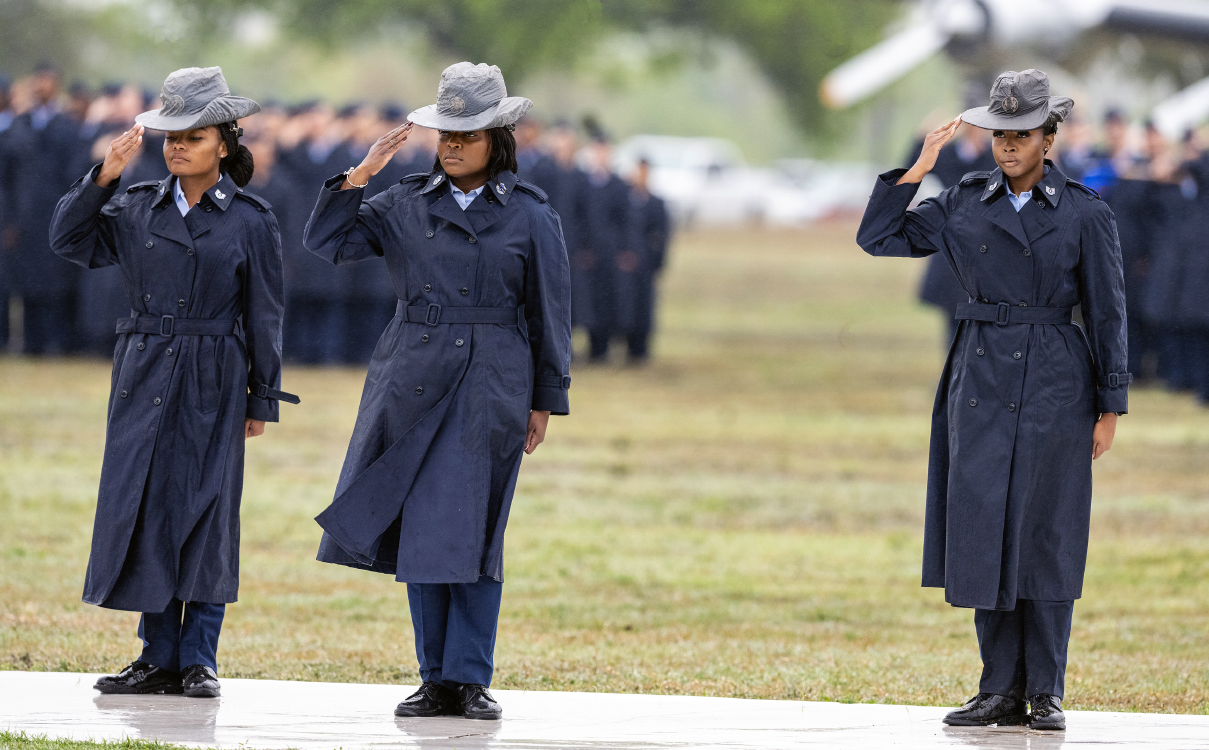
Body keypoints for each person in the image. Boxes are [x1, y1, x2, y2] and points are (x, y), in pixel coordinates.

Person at [856, 70, 1130, 731]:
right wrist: (920, 164)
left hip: (1054, 381)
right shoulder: (962, 199)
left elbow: (1107, 310)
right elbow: (879, 238)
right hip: (977, 379)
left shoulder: (1085, 212)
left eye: (1021, 135)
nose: (1007, 146)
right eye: (999, 134)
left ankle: (1045, 691)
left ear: (1047, 136)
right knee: (983, 532)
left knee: (1045, 534)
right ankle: (996, 689)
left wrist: (1108, 403)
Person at [304, 61, 571, 720]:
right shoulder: (400, 201)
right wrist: (360, 175)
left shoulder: (530, 215)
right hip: (412, 381)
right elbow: (328, 241)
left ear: (497, 139)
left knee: (475, 533)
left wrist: (545, 397)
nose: (451, 145)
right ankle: (433, 680)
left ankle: (470, 677)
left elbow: (549, 311)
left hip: (492, 384)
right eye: (444, 134)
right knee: (419, 533)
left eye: (467, 134)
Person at [48, 66, 296, 699]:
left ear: (225, 143)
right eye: (170, 136)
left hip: (216, 370)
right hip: (144, 368)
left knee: (207, 511)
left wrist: (260, 396)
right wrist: (104, 174)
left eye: (194, 135)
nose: (178, 145)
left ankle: (199, 658)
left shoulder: (250, 218)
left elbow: (264, 313)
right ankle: (156, 656)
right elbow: (69, 238)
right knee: (149, 507)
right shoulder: (134, 205)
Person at [7, 62, 86, 354]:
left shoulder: (66, 123)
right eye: (38, 81)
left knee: (54, 279)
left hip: (54, 210)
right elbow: (15, 156)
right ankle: (29, 341)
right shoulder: (22, 121)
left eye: (48, 81)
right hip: (25, 213)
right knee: (26, 279)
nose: (42, 86)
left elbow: (74, 169)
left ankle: (55, 342)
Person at [906, 121, 997, 343]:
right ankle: (954, 375)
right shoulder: (948, 155)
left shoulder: (996, 157)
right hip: (952, 249)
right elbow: (913, 168)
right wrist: (920, 140)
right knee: (954, 322)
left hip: (988, 249)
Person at [579, 131, 630, 362]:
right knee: (589, 299)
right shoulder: (582, 184)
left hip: (611, 253)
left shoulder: (619, 186)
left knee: (610, 299)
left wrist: (623, 249)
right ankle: (592, 346)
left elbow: (626, 221)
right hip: (589, 254)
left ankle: (606, 348)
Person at [618, 158, 670, 363]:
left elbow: (663, 235)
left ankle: (641, 349)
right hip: (624, 264)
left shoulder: (656, 203)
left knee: (644, 308)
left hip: (646, 265)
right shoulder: (624, 201)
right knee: (624, 306)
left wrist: (656, 262)